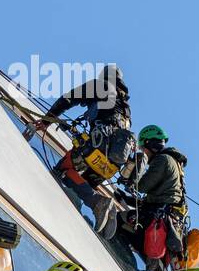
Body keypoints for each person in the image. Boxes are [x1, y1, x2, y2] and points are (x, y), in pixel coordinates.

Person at [33, 65, 135, 237]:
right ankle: (96, 211)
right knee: (81, 185)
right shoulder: (126, 110)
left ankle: (98, 203)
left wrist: (47, 120)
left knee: (63, 171)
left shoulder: (101, 86)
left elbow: (68, 98)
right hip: (111, 165)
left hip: (97, 148)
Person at [111, 125, 190, 271]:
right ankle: (151, 267)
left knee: (117, 221)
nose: (144, 153)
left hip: (157, 218)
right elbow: (156, 198)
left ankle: (132, 270)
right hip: (165, 218)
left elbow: (143, 186)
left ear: (150, 144)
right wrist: (128, 199)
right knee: (132, 230)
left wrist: (131, 176)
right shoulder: (174, 163)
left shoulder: (162, 159)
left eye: (143, 148)